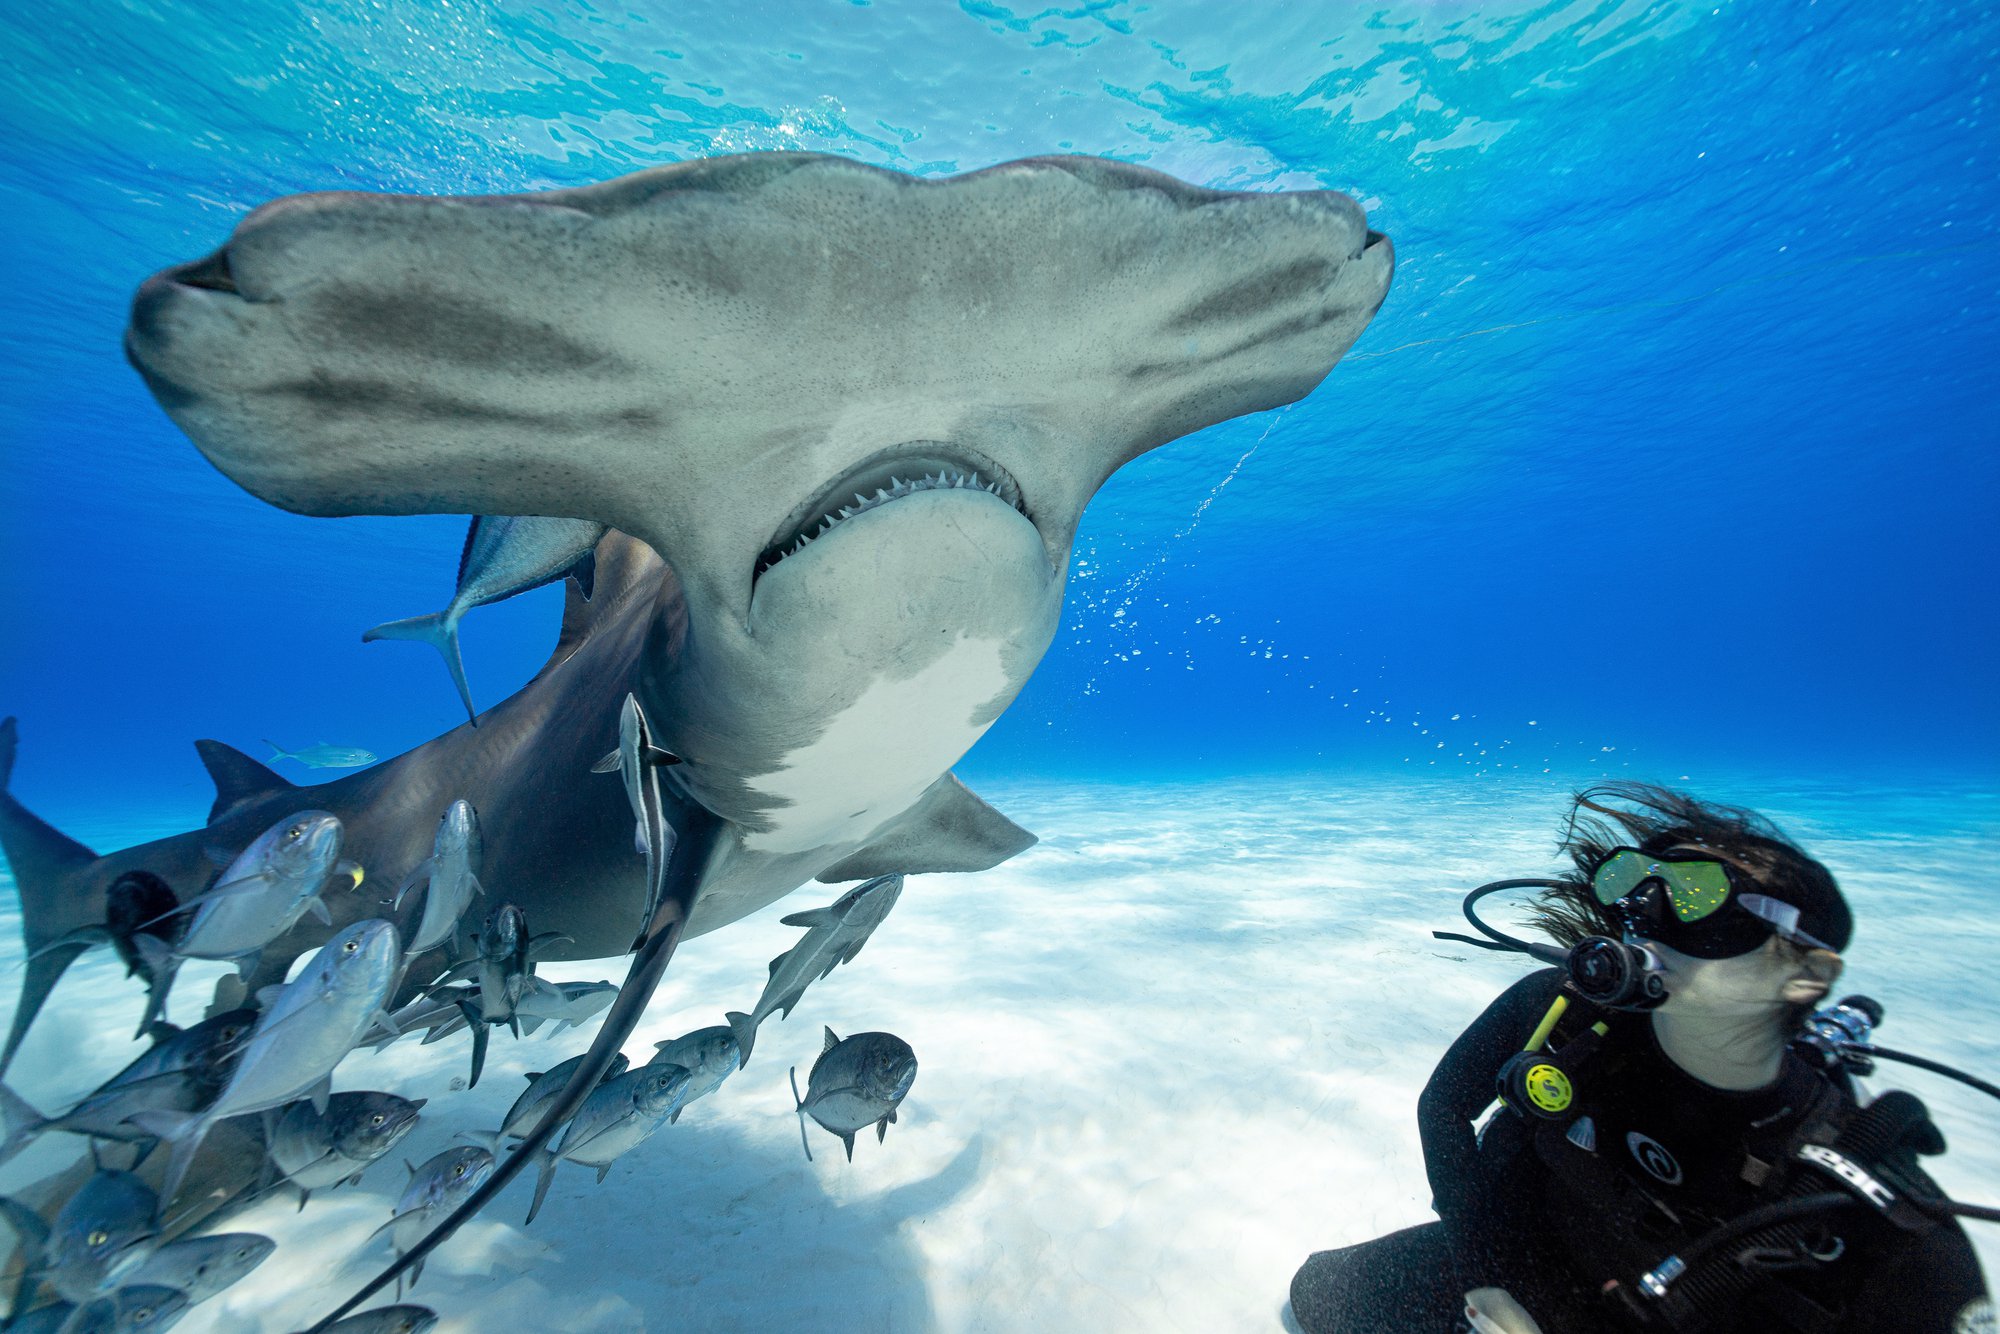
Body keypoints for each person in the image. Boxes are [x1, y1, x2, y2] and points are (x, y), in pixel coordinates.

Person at [1288, 783, 1992, 1333]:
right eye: (1639, 886)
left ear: (1805, 974)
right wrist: (1485, 1278)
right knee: (1312, 1296)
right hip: (1516, 1265)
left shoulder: (1887, 1229)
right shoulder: (1559, 1010)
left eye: (1701, 899)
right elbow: (1443, 1107)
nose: (1647, 915)